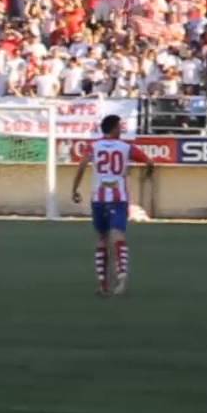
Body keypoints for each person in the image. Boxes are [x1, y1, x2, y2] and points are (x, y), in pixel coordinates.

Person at [70, 114, 154, 297]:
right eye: (119, 127)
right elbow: (149, 162)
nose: (121, 129)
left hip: (98, 199)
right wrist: (147, 174)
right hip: (118, 198)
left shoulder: (94, 146)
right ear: (114, 128)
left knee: (101, 238)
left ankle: (102, 284)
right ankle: (122, 275)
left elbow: (82, 166)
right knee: (118, 235)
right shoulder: (126, 147)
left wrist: (74, 189)